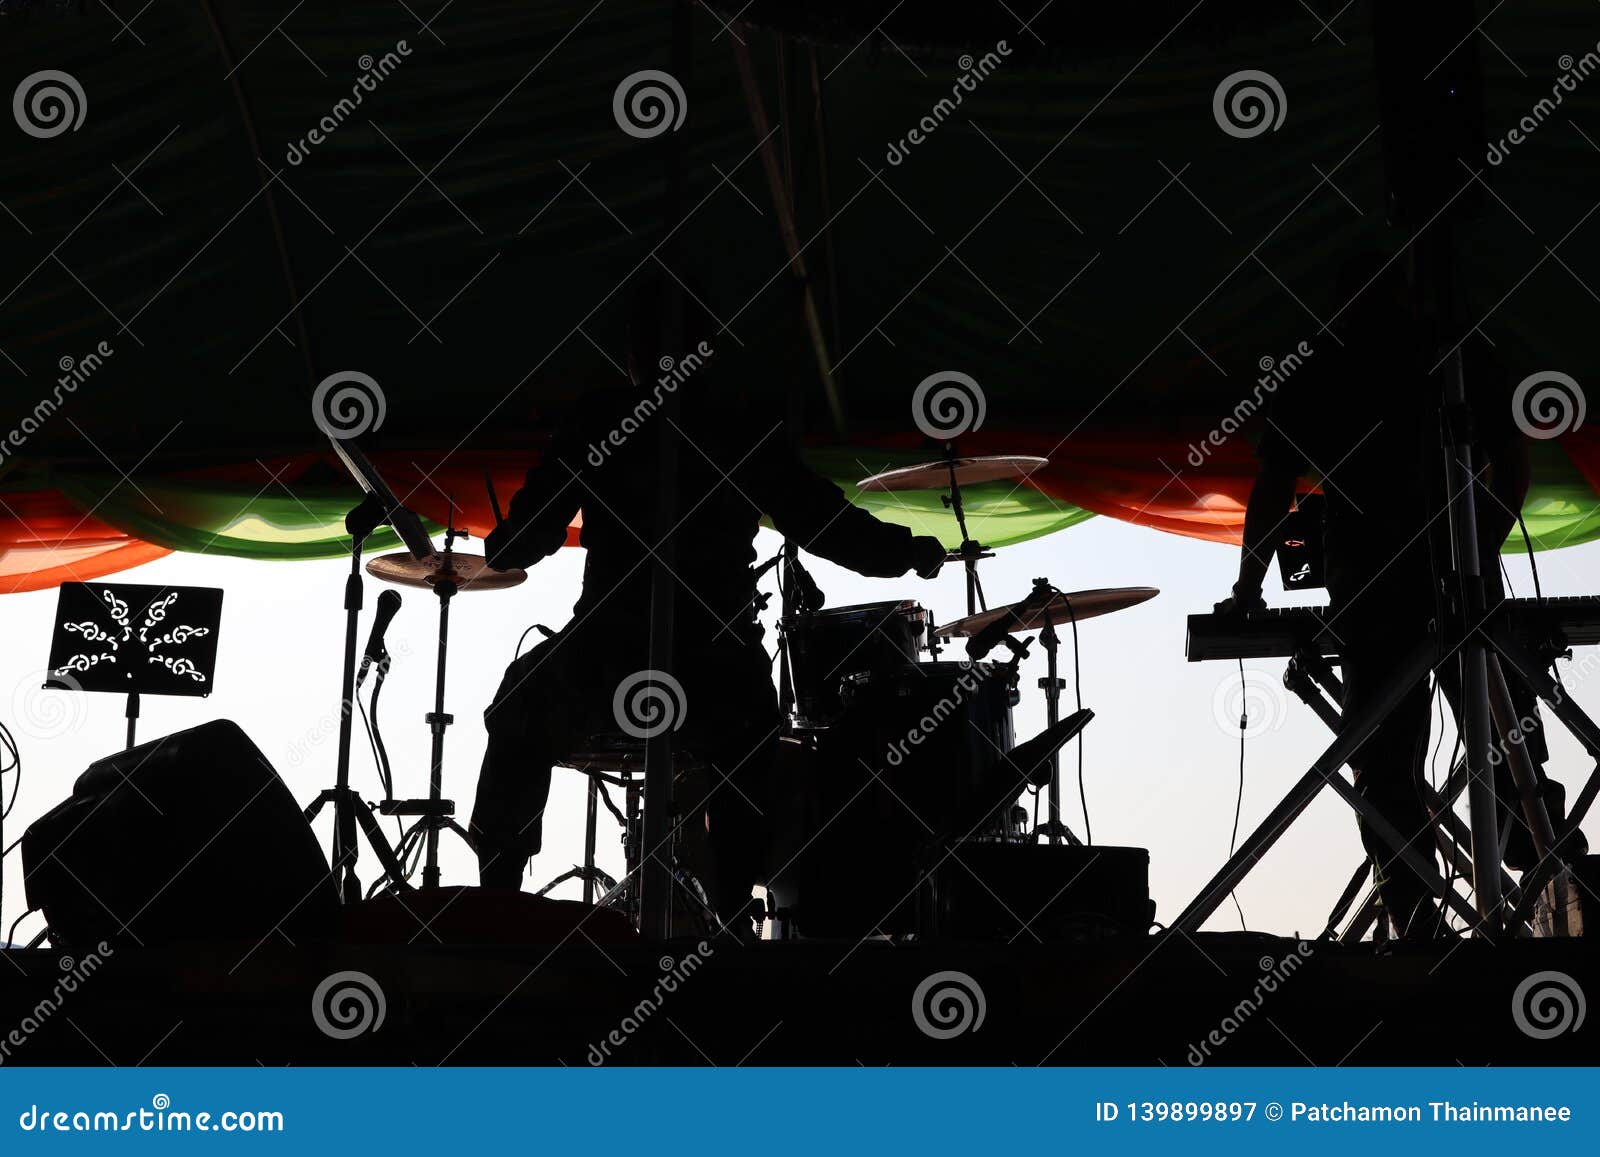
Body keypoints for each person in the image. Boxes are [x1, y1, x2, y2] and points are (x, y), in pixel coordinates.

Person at [471, 281, 946, 932]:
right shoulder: (744, 425)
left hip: (606, 657)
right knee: (753, 747)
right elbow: (826, 523)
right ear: (708, 350)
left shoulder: (599, 419)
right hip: (718, 663)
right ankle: (734, 922)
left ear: (634, 356)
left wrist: (503, 542)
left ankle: (498, 902)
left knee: (516, 710)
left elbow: (526, 540)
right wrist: (907, 551)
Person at [1219, 251, 1564, 938]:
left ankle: (1419, 912)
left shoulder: (1325, 367)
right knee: (1499, 734)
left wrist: (1250, 584)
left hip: (1375, 581)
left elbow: (1272, 486)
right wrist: (1480, 544)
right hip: (1442, 572)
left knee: (1391, 760)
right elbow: (1513, 462)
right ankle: (1542, 857)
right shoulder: (1455, 356)